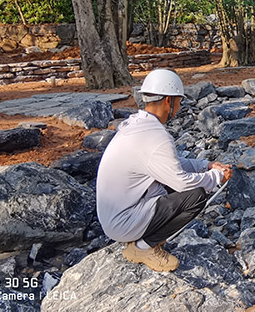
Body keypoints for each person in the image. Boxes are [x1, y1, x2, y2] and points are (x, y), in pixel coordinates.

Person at [96, 69, 232, 272]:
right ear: (169, 100)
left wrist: (206, 165)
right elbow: (181, 182)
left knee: (179, 185)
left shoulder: (137, 125)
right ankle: (143, 248)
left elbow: (169, 164)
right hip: (122, 222)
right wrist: (217, 177)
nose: (179, 106)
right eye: (179, 101)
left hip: (115, 214)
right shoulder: (156, 136)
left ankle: (145, 237)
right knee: (196, 196)